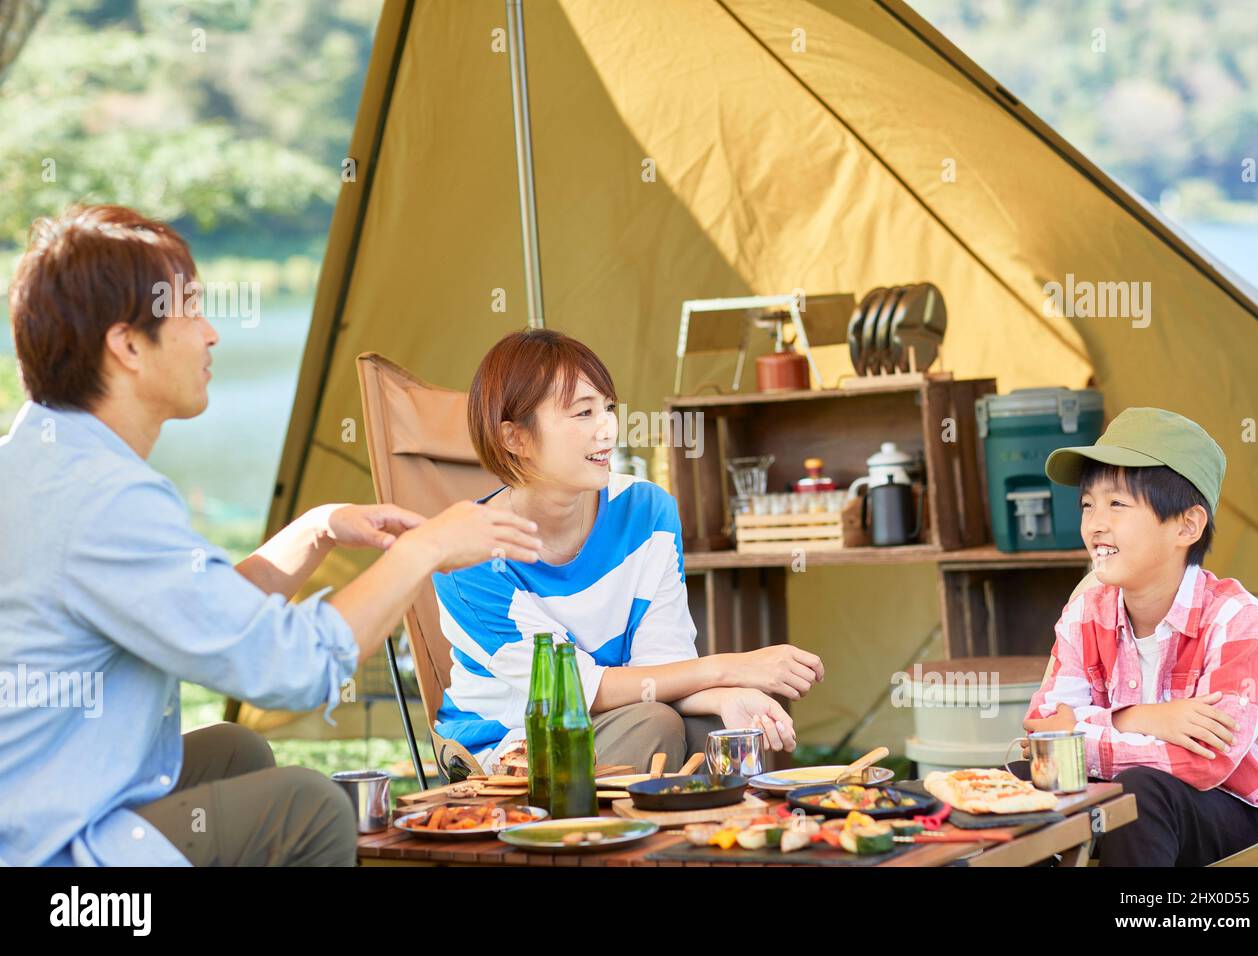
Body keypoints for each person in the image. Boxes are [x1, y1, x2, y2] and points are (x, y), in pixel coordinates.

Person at [0, 205, 544, 866]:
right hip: (46, 853)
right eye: (191, 310)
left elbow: (198, 607)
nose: (211, 335)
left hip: (46, 797)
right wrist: (425, 549)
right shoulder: (102, 502)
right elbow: (292, 671)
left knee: (235, 752)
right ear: (128, 346)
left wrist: (315, 531)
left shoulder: (46, 466)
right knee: (305, 807)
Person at [433, 329, 826, 773]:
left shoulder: (646, 512)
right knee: (654, 726)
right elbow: (574, 690)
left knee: (718, 724)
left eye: (609, 409)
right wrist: (730, 670)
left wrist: (725, 697)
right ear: (515, 439)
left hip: (622, 720)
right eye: (583, 413)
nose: (608, 430)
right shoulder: (468, 557)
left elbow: (663, 667)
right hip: (507, 746)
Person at [1020, 407, 1258, 866]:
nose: (1094, 524)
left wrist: (1080, 733)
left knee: (1138, 797)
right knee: (1012, 782)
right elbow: (1043, 732)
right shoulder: (1087, 609)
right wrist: (1142, 718)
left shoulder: (1235, 617)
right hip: (1128, 795)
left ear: (1186, 526)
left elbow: (1207, 762)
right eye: (1088, 504)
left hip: (1239, 808)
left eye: (1117, 504)